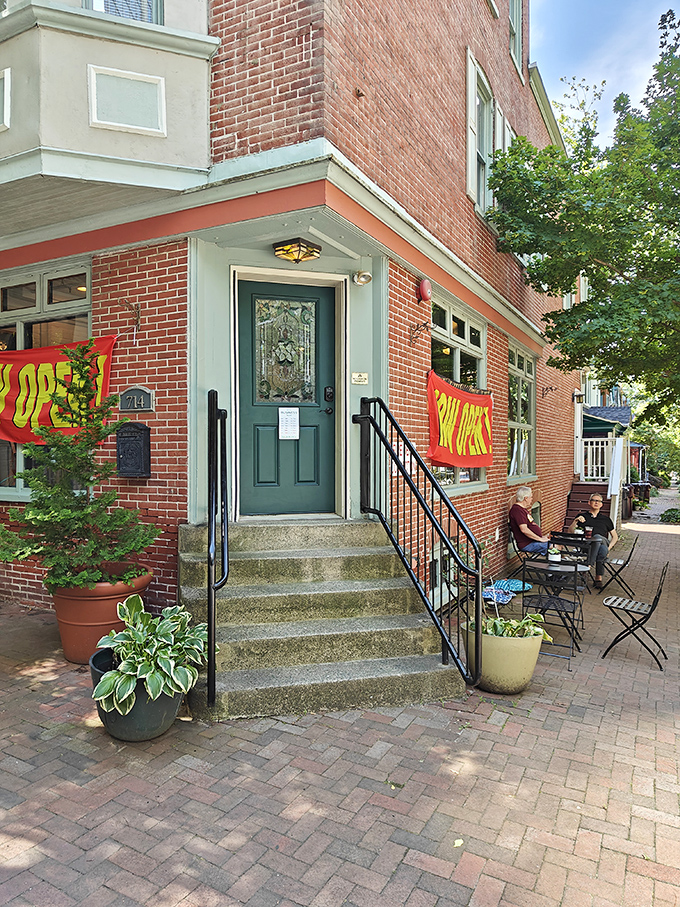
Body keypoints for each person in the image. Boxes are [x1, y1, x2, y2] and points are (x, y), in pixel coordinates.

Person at [568, 493, 618, 588]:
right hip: (587, 545)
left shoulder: (606, 519)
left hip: (603, 541)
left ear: (601, 504)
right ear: (589, 503)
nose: (596, 502)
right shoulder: (582, 516)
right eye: (594, 500)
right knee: (602, 550)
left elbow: (615, 537)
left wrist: (609, 547)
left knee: (598, 537)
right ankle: (598, 579)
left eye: (598, 501)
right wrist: (576, 521)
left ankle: (588, 566)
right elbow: (570, 531)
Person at [509, 486, 551, 555]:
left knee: (557, 541)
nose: (532, 499)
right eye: (531, 497)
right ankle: (558, 564)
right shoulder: (517, 510)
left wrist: (542, 537)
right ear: (525, 498)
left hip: (533, 541)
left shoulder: (522, 509)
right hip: (528, 544)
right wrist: (540, 539)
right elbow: (524, 530)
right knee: (555, 546)